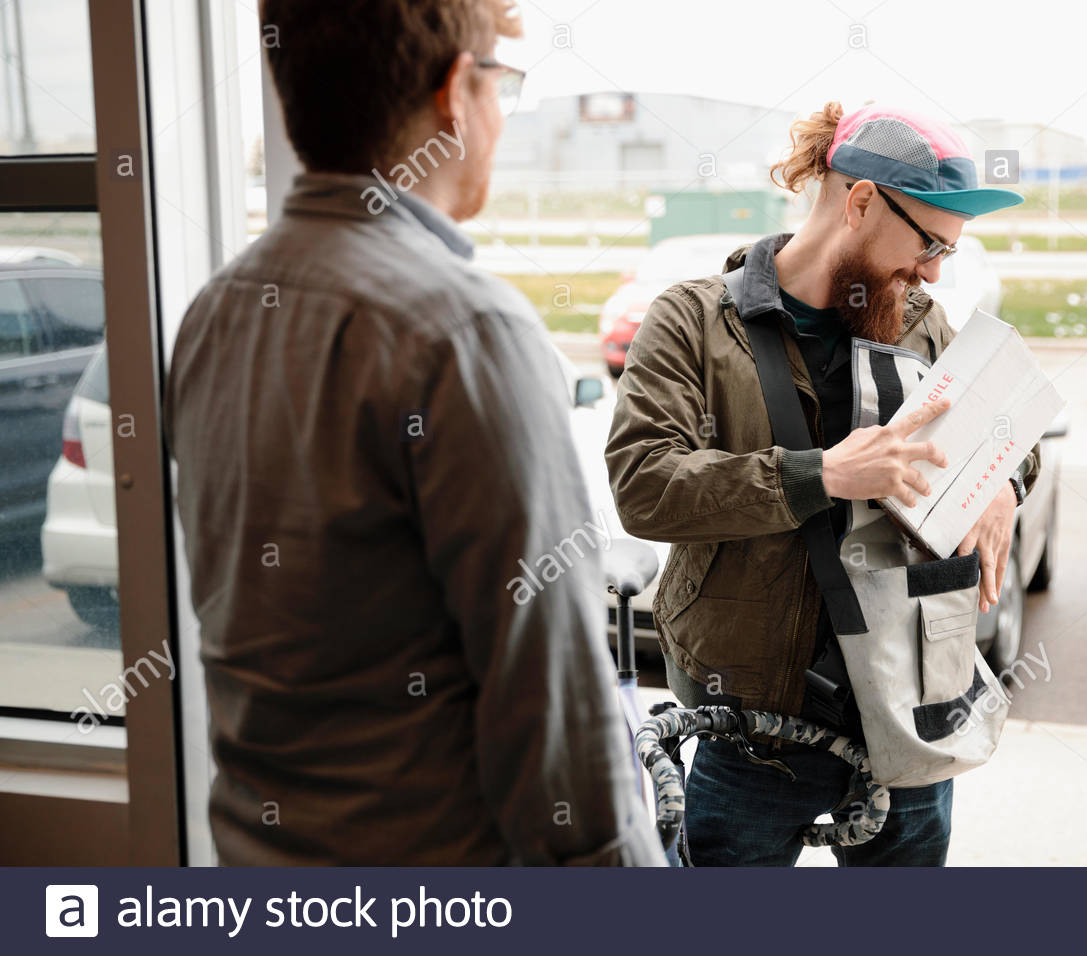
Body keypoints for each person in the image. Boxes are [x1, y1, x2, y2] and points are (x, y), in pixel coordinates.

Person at [164, 0, 661, 866]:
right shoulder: (464, 331)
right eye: (500, 85)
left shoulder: (217, 310)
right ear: (454, 95)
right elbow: (557, 717)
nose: (501, 119)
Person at [605, 103, 1040, 866]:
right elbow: (645, 484)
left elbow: (1010, 433)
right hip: (750, 737)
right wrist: (823, 474)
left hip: (909, 720)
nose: (936, 269)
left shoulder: (920, 322)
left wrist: (1002, 481)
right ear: (861, 201)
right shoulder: (693, 323)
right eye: (929, 242)